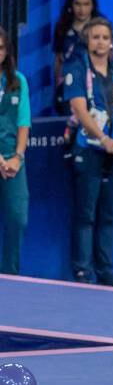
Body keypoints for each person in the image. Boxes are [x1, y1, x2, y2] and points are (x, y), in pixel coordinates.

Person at [64, 15, 113, 285]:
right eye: (95, 36)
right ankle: (82, 270)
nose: (100, 41)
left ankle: (105, 270)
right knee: (86, 213)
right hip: (89, 149)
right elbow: (79, 108)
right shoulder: (75, 67)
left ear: (112, 42)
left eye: (105, 37)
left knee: (108, 212)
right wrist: (102, 138)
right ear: (87, 40)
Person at [0, 28, 30, 275]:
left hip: (12, 161)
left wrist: (17, 157)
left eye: (0, 48)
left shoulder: (18, 80)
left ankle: (9, 275)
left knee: (17, 218)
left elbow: (24, 121)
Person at [52, 0, 100, 114]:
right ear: (70, 5)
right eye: (77, 4)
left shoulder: (101, 26)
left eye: (86, 4)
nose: (82, 9)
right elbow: (58, 60)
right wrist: (58, 87)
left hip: (94, 86)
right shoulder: (62, 27)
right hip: (68, 87)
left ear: (93, 5)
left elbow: (109, 58)